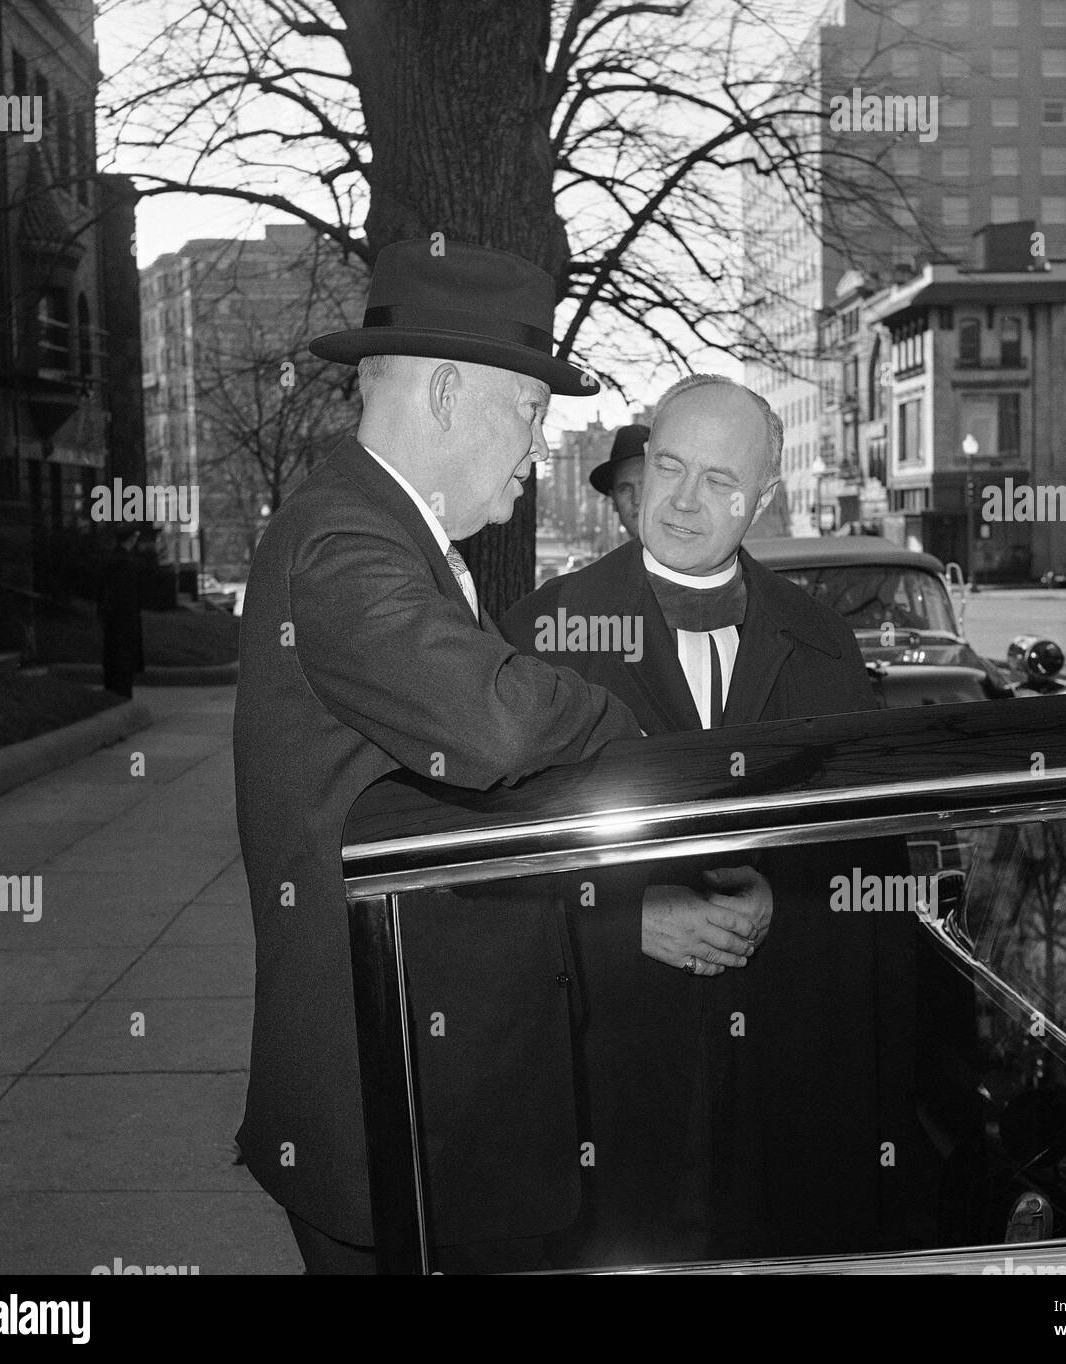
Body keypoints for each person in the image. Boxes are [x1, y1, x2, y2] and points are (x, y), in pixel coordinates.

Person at [232, 241, 768, 1274]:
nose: (539, 441)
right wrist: (635, 733)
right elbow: (497, 726)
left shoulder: (398, 537)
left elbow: (444, 814)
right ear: (443, 392)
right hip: (389, 1109)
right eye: (527, 411)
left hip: (433, 1095)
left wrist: (627, 910)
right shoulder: (344, 540)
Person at [502, 373, 910, 1264]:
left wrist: (785, 901)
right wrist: (623, 919)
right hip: (609, 1090)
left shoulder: (821, 642)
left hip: (781, 1093)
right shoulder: (542, 638)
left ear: (764, 497)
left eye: (720, 482)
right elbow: (484, 876)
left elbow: (873, 864)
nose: (683, 502)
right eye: (670, 466)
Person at [97, 527, 143, 697]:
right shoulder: (125, 562)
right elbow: (128, 593)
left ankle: (113, 689)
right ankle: (122, 691)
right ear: (131, 539)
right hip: (124, 617)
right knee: (123, 657)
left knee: (112, 655)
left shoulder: (111, 559)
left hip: (112, 616)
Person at [588, 422, 648, 540]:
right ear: (614, 501)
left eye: (646, 485)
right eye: (625, 489)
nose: (637, 500)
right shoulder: (616, 559)